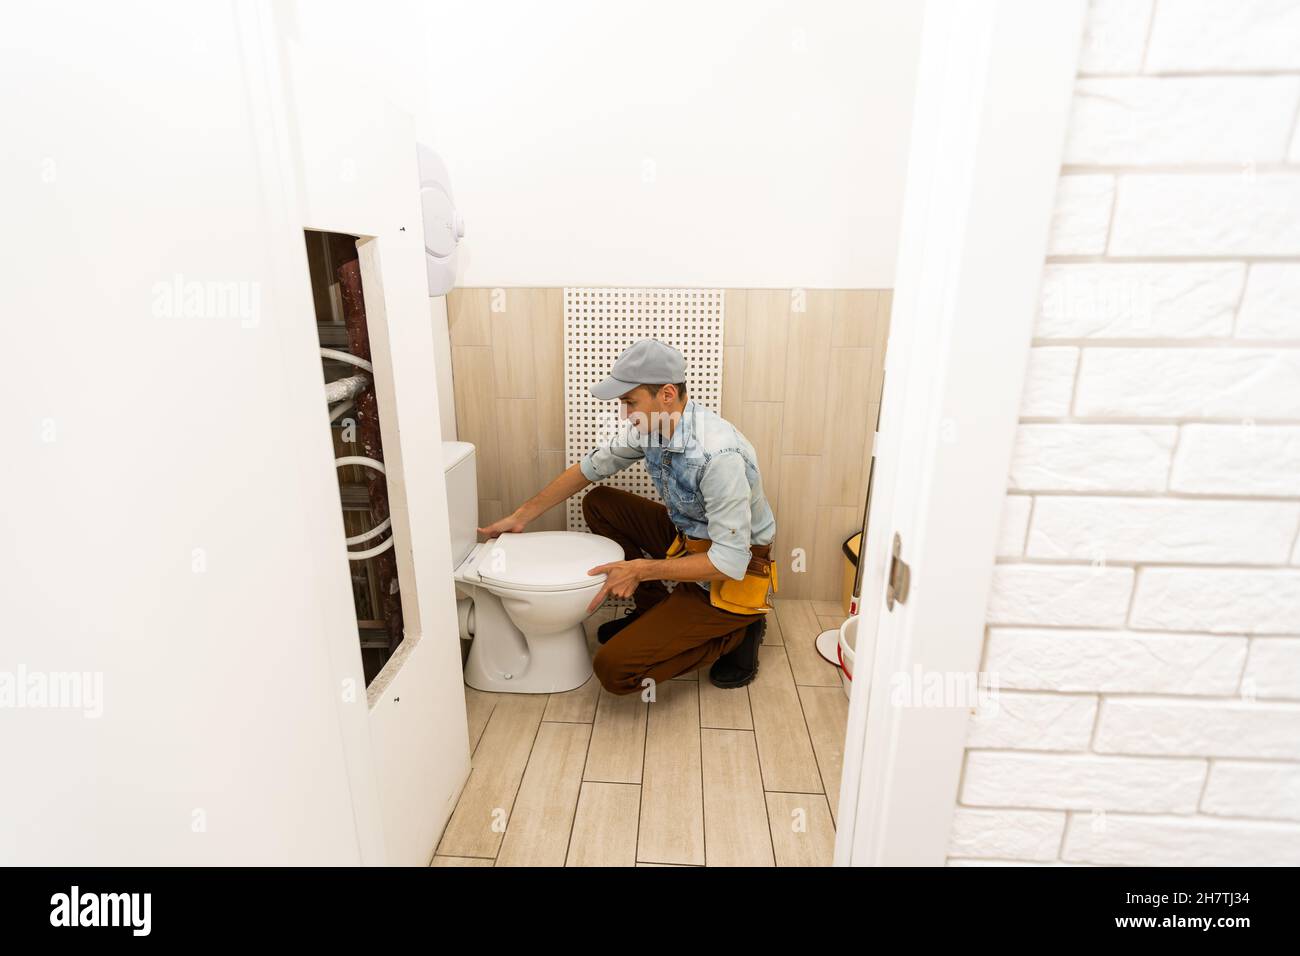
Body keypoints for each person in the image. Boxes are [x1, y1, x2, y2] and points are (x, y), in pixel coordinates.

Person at [477, 338, 778, 691]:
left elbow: (729, 562)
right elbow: (590, 468)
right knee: (600, 502)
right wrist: (521, 516)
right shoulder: (655, 428)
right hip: (690, 541)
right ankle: (653, 611)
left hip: (730, 569)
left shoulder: (716, 456)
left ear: (666, 395)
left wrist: (641, 570)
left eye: (630, 402)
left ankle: (739, 630)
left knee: (614, 670)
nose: (625, 413)